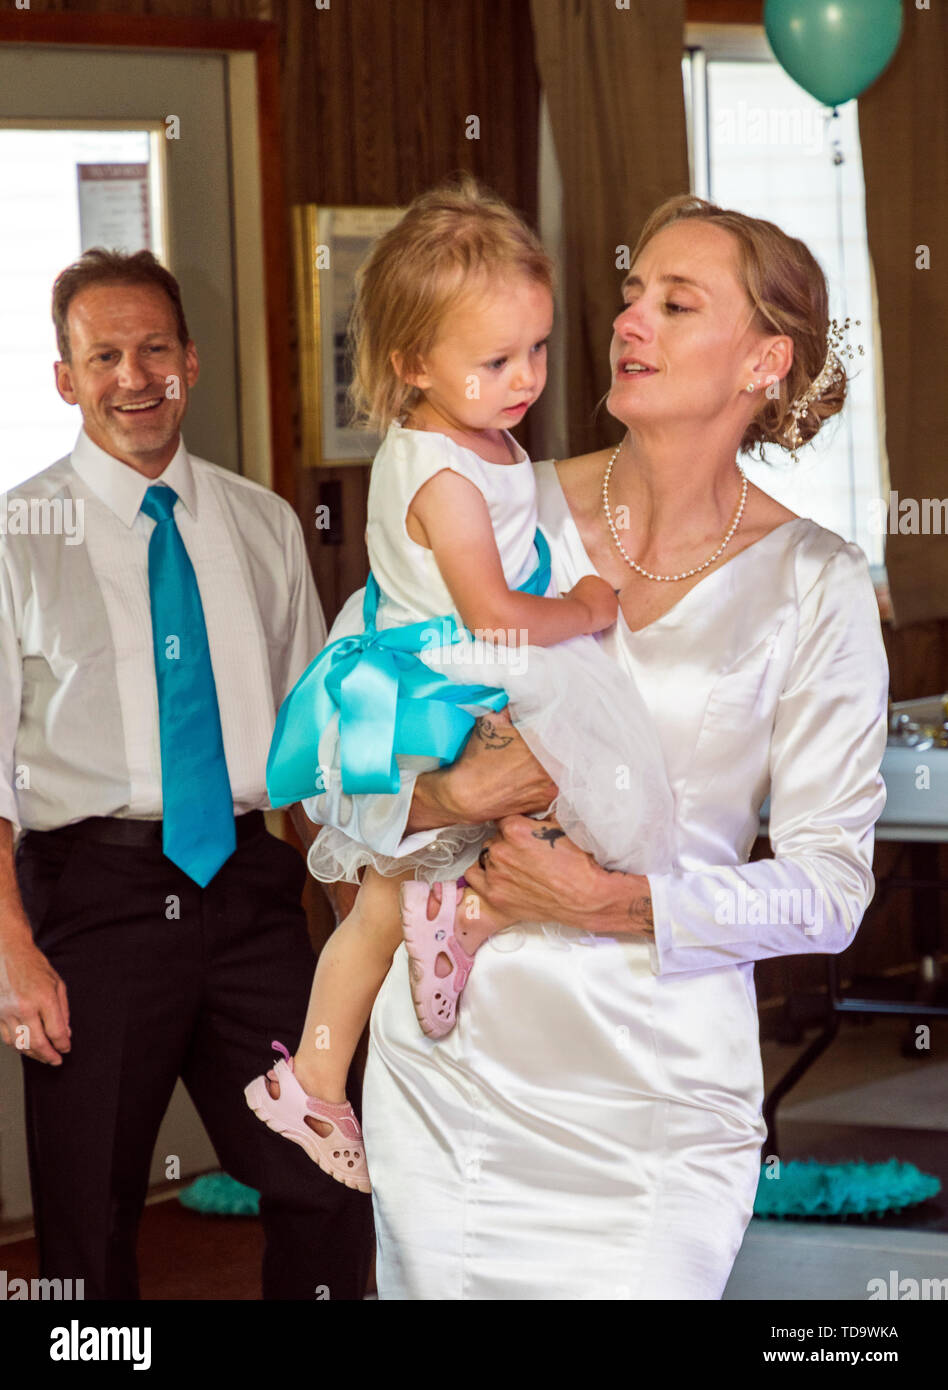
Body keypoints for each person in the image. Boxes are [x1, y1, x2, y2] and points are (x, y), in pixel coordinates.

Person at [310, 194, 889, 1299]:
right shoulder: (484, 498)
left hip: (661, 1101)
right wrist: (450, 795)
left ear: (765, 359)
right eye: (631, 295)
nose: (630, 321)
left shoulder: (816, 584)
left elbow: (830, 892)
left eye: (676, 303)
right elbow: (332, 774)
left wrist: (611, 903)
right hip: (455, 1082)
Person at [245, 178, 675, 1194]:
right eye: (494, 361)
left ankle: (334, 1048)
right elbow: (492, 609)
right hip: (447, 681)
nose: (524, 376)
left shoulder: (475, 438)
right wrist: (583, 606)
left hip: (442, 668)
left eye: (534, 349)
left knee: (386, 906)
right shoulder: (441, 472)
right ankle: (414, 969)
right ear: (410, 363)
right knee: (577, 802)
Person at [0, 249, 373, 1300]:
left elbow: (312, 758)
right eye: (105, 354)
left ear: (191, 361)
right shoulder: (16, 539)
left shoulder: (260, 523)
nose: (135, 374)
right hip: (94, 903)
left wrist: (357, 916)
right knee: (88, 1220)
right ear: (66, 378)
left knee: (327, 1172)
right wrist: (10, 949)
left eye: (155, 347)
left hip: (253, 894)